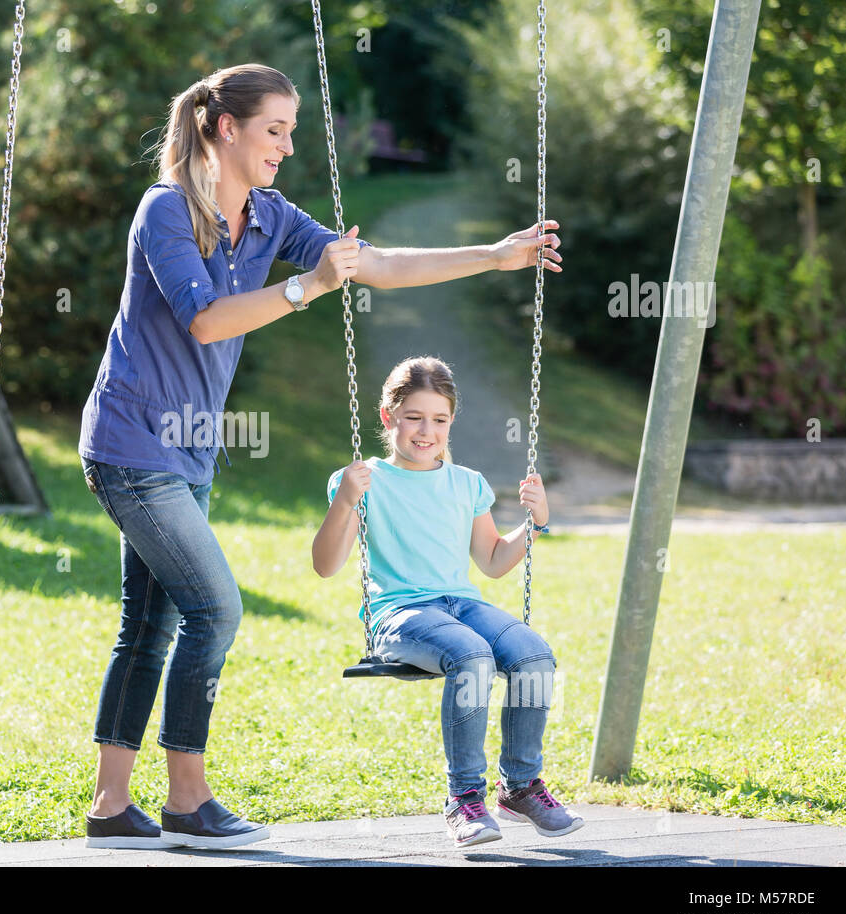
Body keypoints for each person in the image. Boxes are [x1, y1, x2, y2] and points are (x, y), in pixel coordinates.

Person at [78, 62, 562, 851]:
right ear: (223, 127)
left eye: (292, 131)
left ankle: (110, 806)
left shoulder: (268, 216)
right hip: (132, 444)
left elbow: (377, 264)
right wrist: (304, 289)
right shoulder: (165, 211)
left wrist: (494, 255)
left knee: (150, 623)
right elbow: (206, 321)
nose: (287, 146)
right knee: (215, 608)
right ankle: (187, 800)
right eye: (275, 129)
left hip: (190, 455)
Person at [312, 355, 584, 848]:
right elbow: (326, 564)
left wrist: (536, 523)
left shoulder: (467, 483)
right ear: (387, 416)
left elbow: (494, 560)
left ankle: (520, 786)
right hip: (399, 614)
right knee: (472, 656)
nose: (426, 431)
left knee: (534, 655)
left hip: (460, 604)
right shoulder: (361, 479)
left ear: (451, 421)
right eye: (413, 417)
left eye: (438, 419)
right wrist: (345, 500)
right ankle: (465, 798)